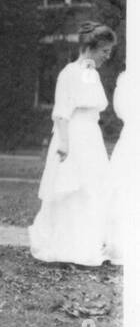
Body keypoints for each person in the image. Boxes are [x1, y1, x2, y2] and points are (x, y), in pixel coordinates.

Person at [28, 22, 117, 266]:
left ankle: (86, 245)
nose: (107, 57)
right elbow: (61, 112)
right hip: (73, 136)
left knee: (92, 190)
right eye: (104, 51)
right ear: (90, 47)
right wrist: (65, 143)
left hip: (91, 138)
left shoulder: (92, 74)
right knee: (71, 190)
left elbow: (93, 106)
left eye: (109, 52)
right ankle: (66, 248)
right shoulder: (68, 72)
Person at [103, 68, 132, 265]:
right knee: (124, 189)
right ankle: (122, 243)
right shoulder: (127, 79)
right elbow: (125, 111)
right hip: (132, 139)